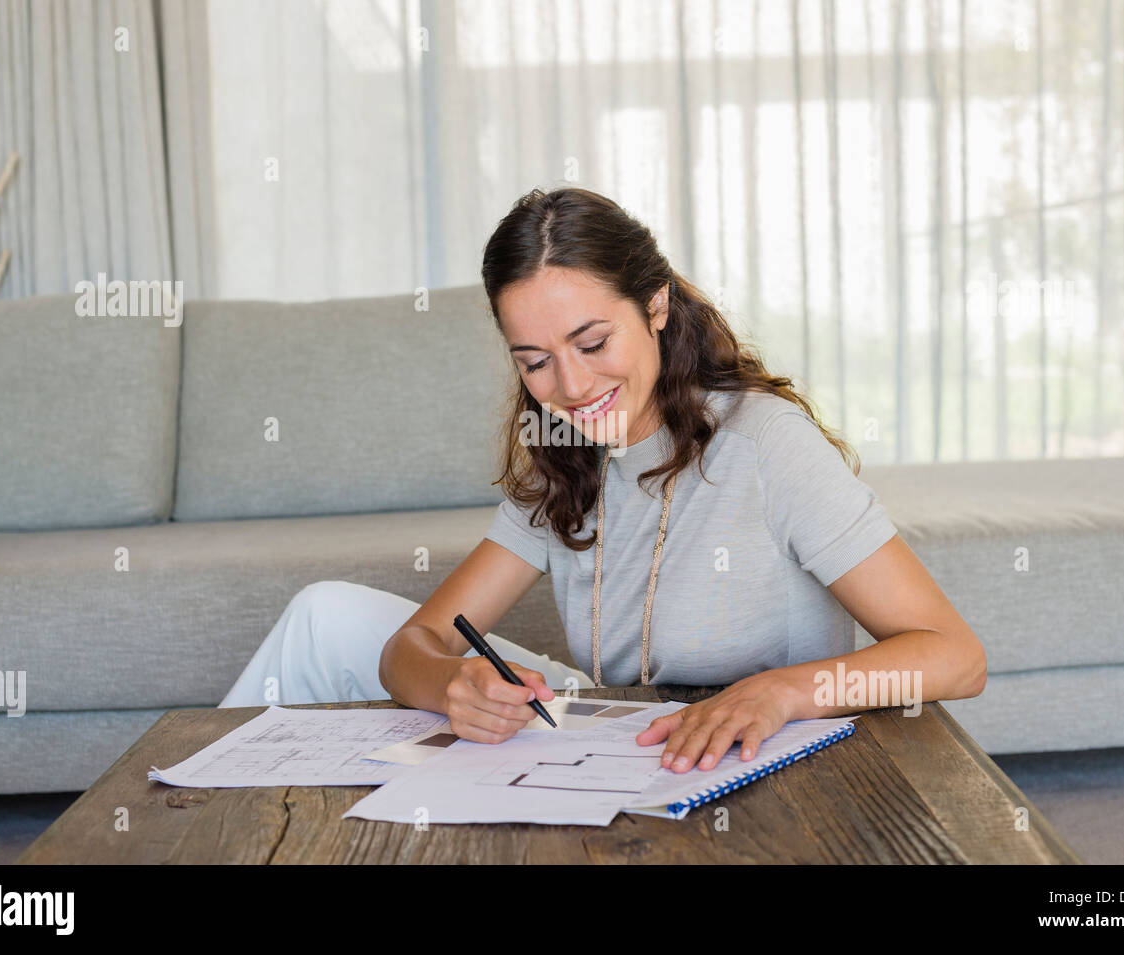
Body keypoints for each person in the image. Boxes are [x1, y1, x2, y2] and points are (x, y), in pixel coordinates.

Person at [220, 186, 987, 774]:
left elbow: (954, 654)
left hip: (758, 746)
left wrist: (784, 690)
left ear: (654, 306)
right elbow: (412, 645)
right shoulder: (561, 451)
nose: (573, 384)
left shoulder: (765, 444)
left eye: (592, 340)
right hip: (623, 734)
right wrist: (450, 688)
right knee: (322, 614)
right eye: (535, 361)